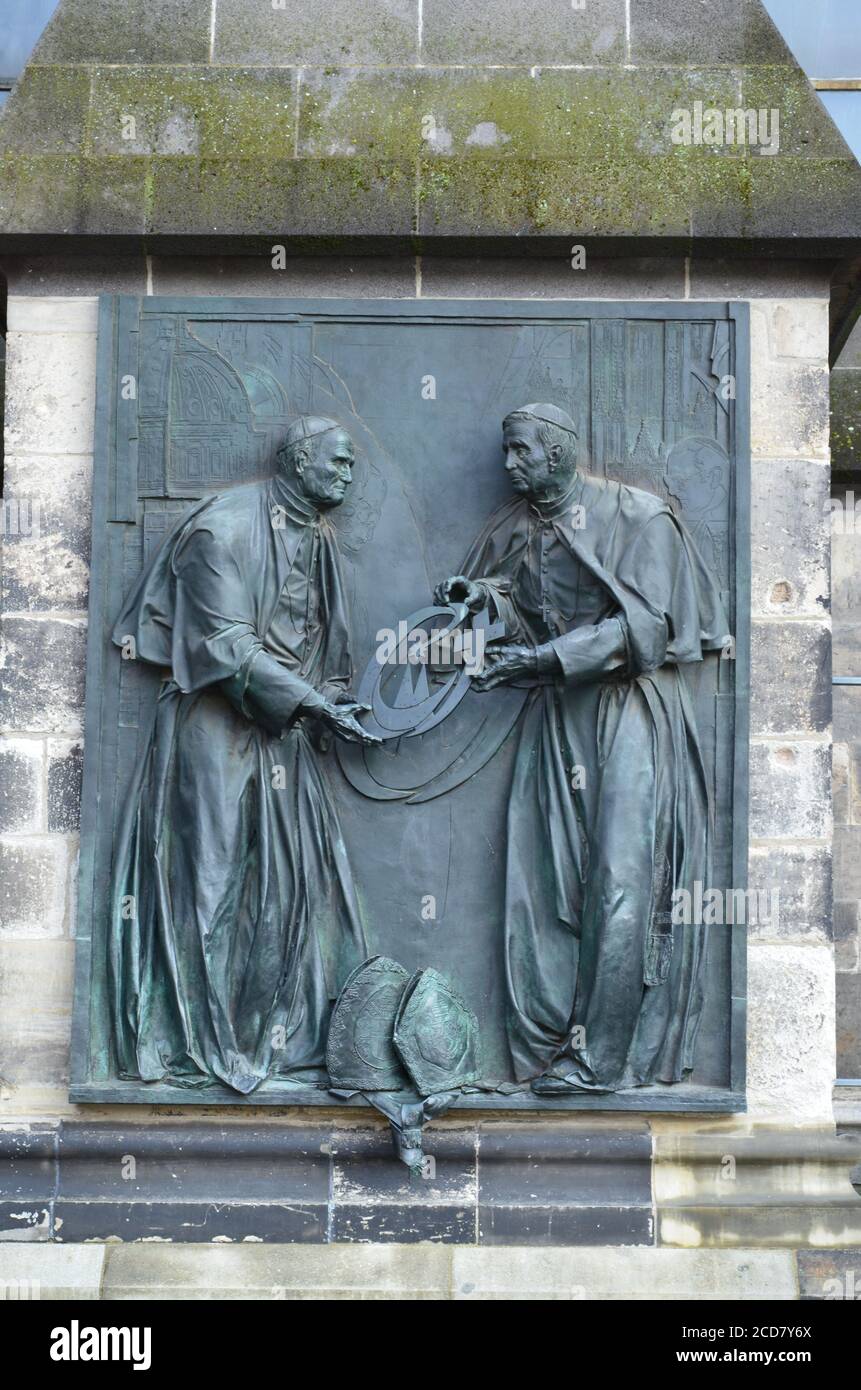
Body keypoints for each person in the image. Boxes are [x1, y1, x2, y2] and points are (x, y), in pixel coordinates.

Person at [434, 403, 730, 1092]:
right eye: (506, 453)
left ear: (560, 451)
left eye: (519, 452)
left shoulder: (640, 517)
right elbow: (520, 601)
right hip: (554, 715)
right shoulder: (518, 526)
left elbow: (645, 631)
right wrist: (479, 599)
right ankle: (546, 1041)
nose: (508, 466)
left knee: (619, 879)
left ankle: (600, 1058)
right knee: (541, 883)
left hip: (624, 712)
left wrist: (538, 661)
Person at [108, 416, 379, 1093]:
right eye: (337, 463)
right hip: (215, 726)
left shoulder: (313, 535)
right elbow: (224, 647)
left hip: (280, 727)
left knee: (288, 890)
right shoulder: (221, 531)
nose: (348, 475)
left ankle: (273, 1039)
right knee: (214, 881)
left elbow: (319, 638)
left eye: (352, 465)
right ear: (294, 461)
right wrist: (313, 703)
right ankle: (205, 1045)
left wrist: (335, 699)